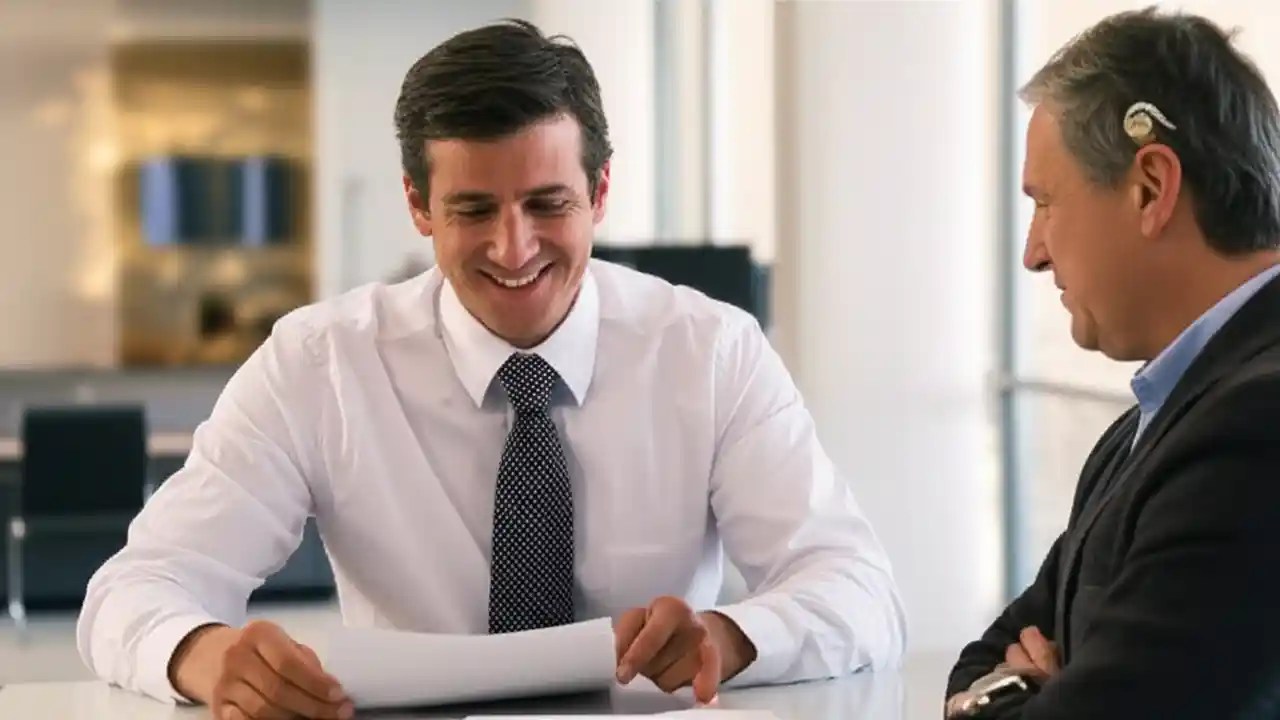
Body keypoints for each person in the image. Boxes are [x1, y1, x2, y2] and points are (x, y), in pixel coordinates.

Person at [78, 19, 906, 720]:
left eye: (548, 204)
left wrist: (729, 637)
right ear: (418, 205)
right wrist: (203, 653)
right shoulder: (317, 365)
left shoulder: (713, 352)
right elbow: (136, 589)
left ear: (600, 192)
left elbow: (858, 591)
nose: (514, 250)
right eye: (474, 210)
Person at [946, 8, 1280, 719]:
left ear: (1151, 188)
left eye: (1046, 203)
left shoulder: (1255, 429)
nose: (1033, 253)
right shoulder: (1150, 426)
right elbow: (984, 657)